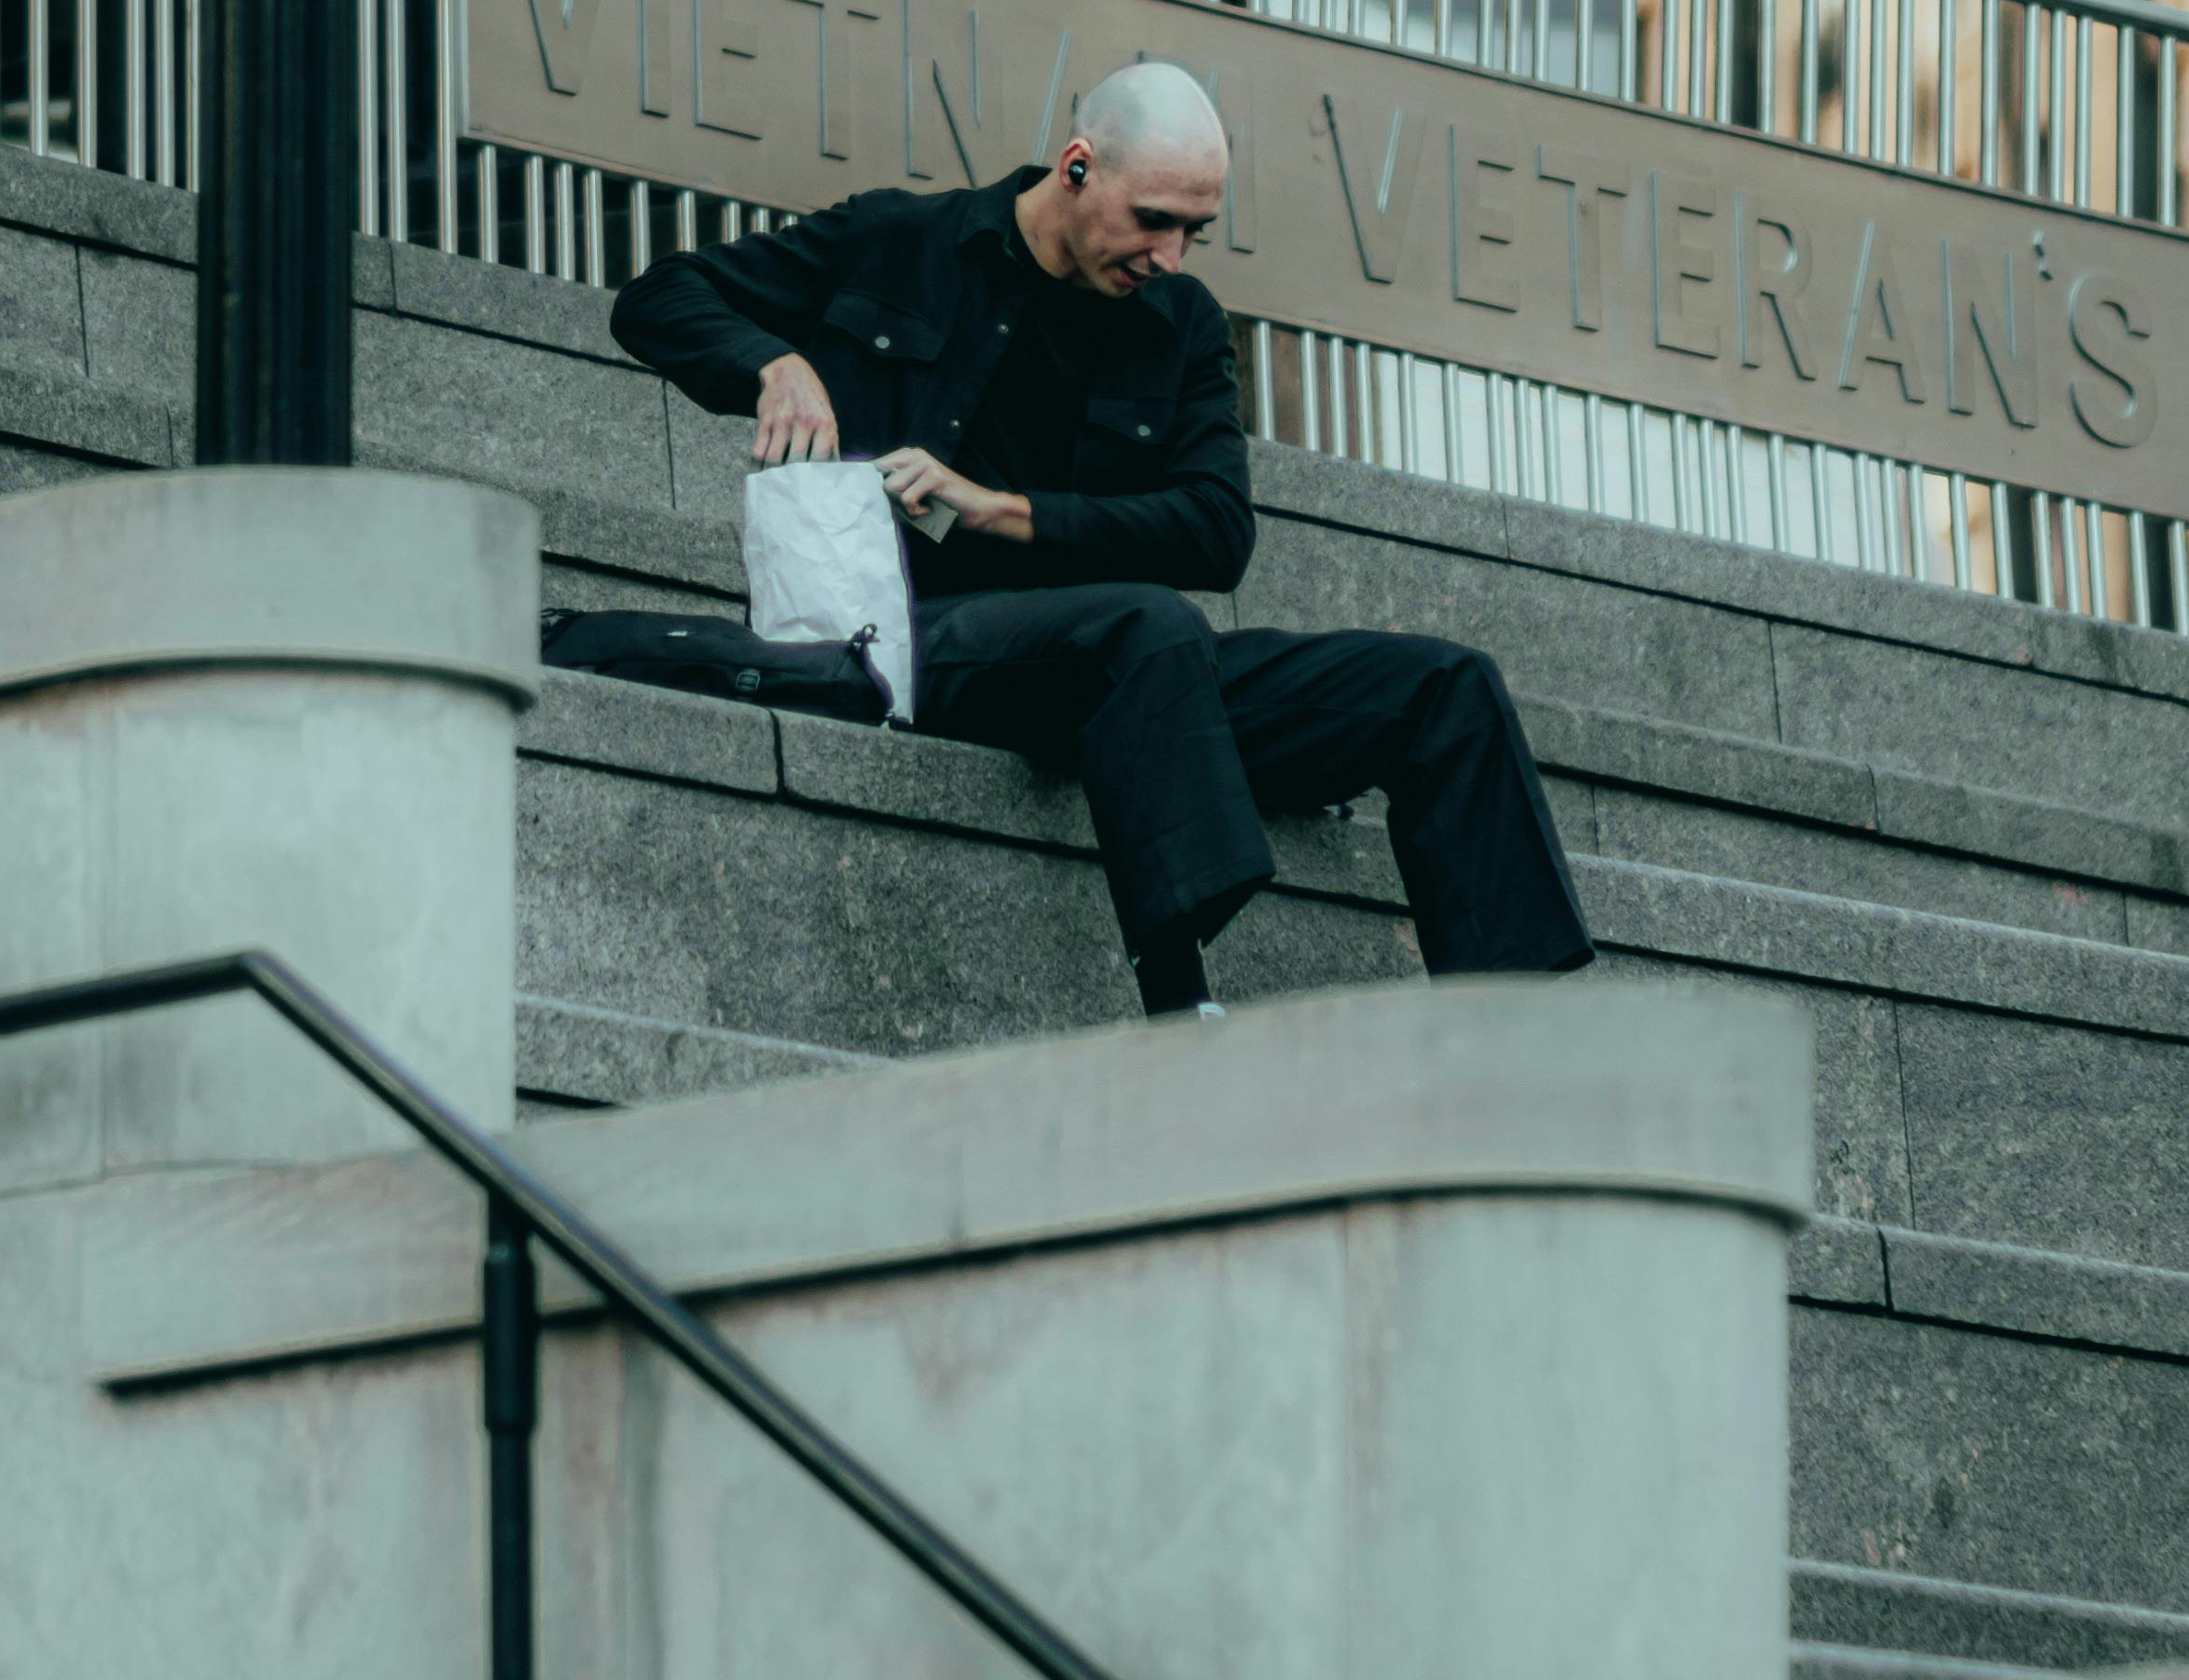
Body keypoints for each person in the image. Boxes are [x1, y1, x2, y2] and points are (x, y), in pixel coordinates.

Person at [606, 59, 1595, 1015]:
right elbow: (657, 297)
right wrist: (775, 365)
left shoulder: (1181, 323)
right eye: (1153, 221)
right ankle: (1182, 1000)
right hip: (906, 645)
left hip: (1129, 681)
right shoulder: (901, 239)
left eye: (1194, 231)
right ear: (1076, 167)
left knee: (1440, 686)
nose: (1170, 256)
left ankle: (1512, 1031)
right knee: (1144, 625)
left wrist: (1000, 507)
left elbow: (1216, 531)